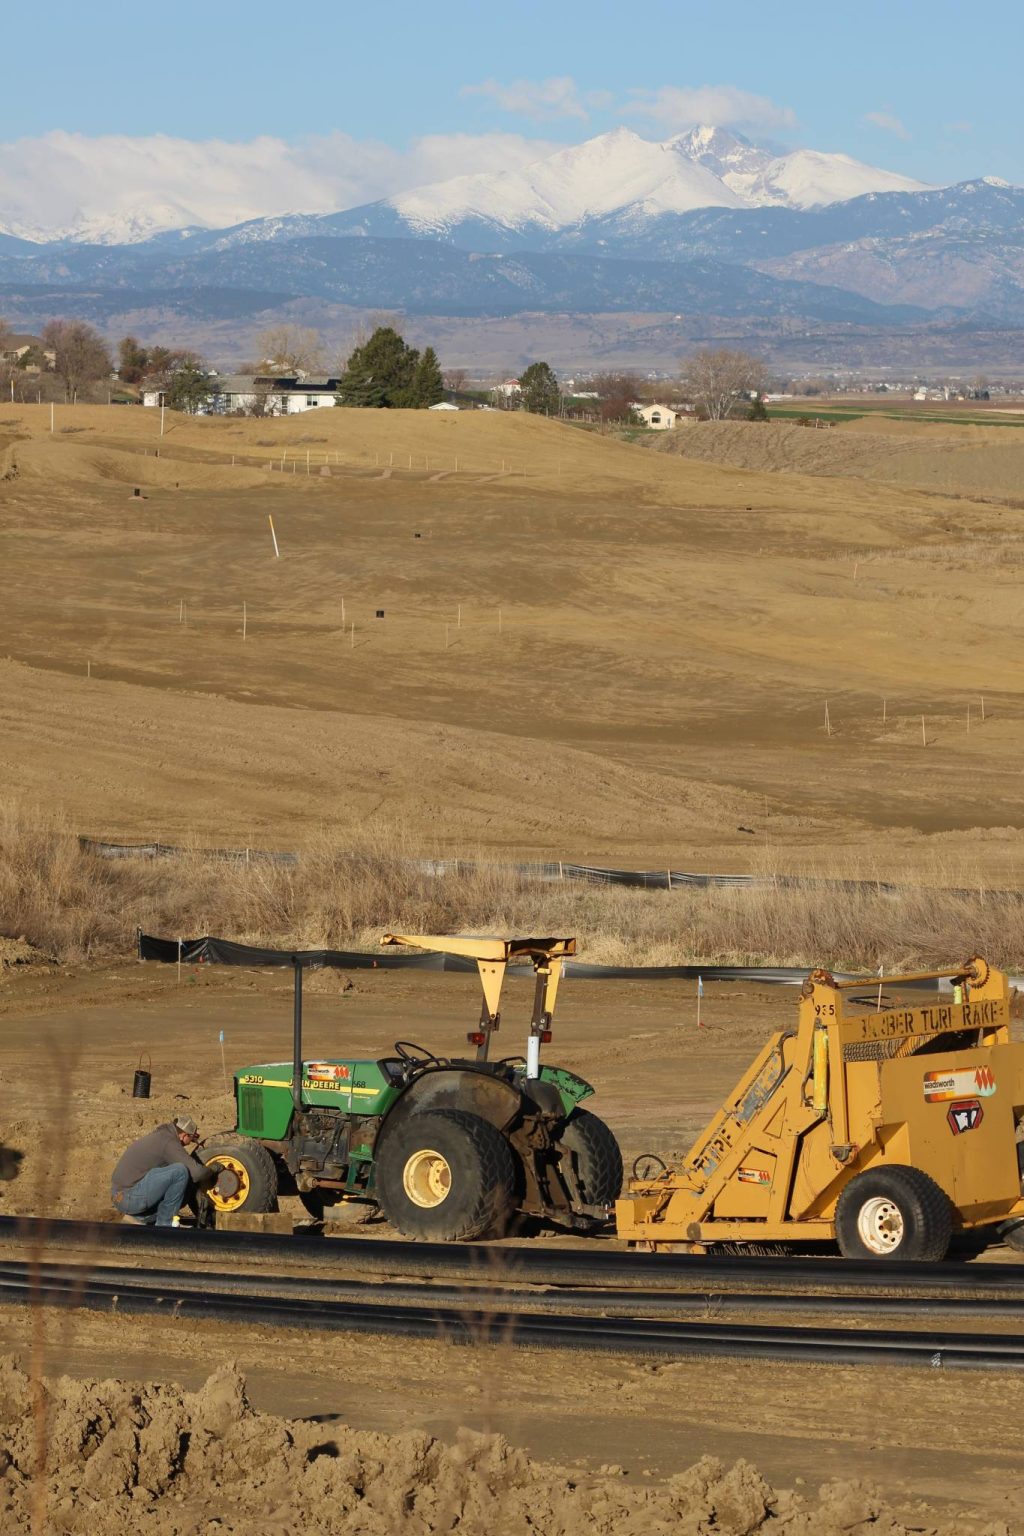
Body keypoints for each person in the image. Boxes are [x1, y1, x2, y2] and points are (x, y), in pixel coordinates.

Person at [111, 1114, 214, 1227]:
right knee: (180, 1172)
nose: (189, 1143)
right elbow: (197, 1173)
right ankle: (165, 1223)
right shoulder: (168, 1142)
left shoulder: (162, 1135)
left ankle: (139, 1218)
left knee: (184, 1187)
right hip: (128, 1197)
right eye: (192, 1139)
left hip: (122, 1196)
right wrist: (213, 1170)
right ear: (184, 1135)